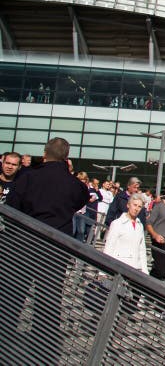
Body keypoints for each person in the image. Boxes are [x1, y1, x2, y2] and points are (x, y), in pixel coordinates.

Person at [5, 137, 89, 362]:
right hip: (54, 250)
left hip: (22, 246)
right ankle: (44, 353)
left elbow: (10, 209)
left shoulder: (28, 177)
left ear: (44, 153)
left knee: (12, 299)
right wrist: (69, 173)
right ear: (66, 158)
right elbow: (81, 201)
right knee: (49, 301)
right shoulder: (74, 184)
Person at [103, 193, 148, 273]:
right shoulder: (117, 223)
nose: (136, 209)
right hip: (119, 267)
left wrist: (145, 271)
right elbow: (109, 246)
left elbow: (142, 249)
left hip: (136, 268)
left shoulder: (139, 225)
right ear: (128, 205)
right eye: (134, 205)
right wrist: (103, 271)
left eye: (139, 206)